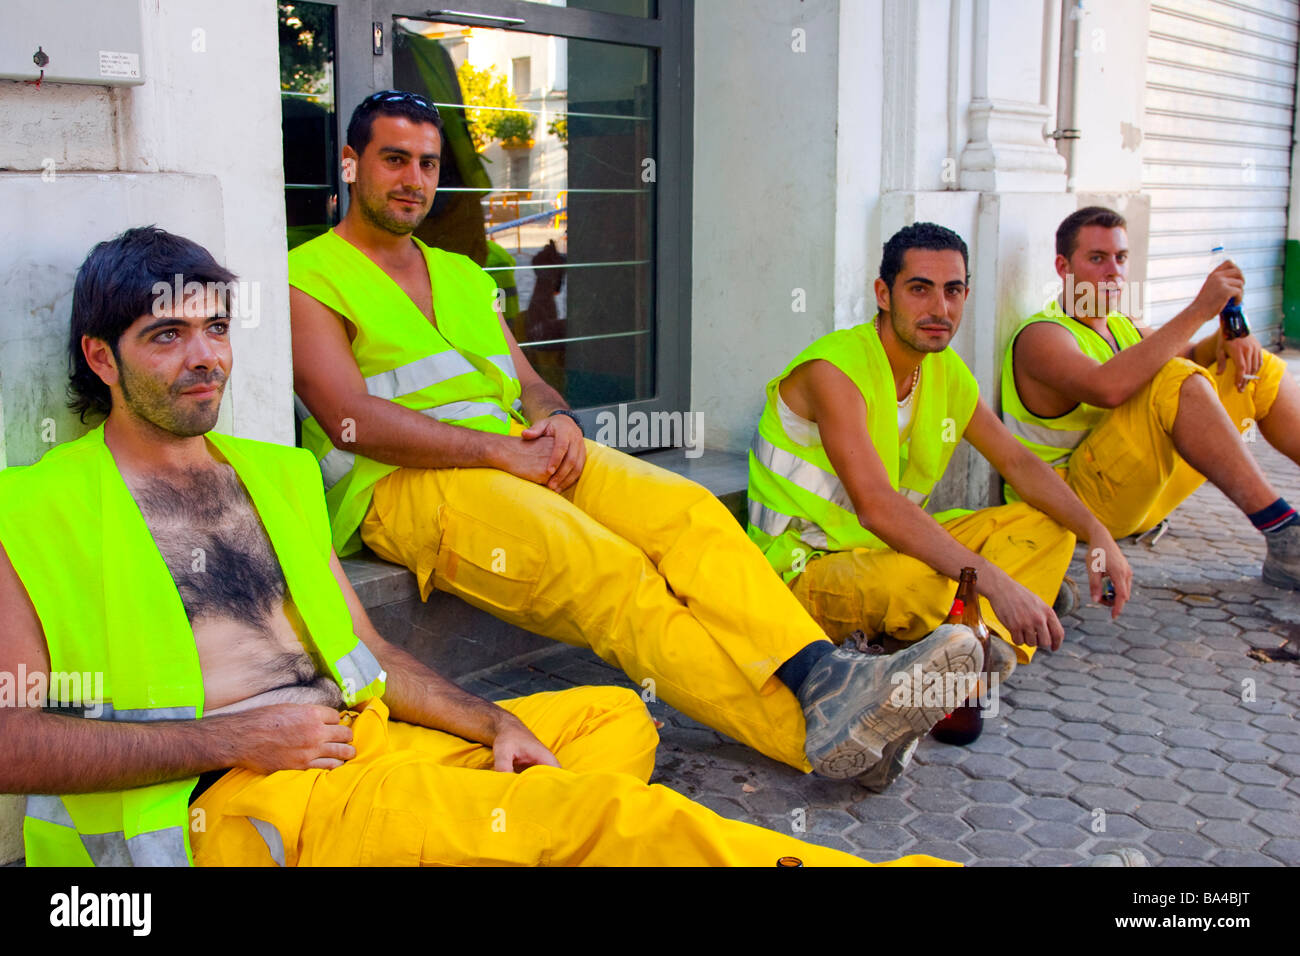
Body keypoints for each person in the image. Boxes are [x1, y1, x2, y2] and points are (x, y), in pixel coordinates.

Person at [0, 226, 957, 868]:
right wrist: (235, 735)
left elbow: (367, 653)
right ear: (101, 357)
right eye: (166, 336)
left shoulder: (270, 476)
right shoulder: (35, 509)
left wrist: (484, 721)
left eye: (214, 328)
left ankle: (482, 830)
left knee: (611, 725)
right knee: (601, 814)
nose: (204, 355)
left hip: (360, 738)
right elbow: (12, 742)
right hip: (242, 795)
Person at [287, 90, 983, 786]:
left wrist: (557, 419)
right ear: (351, 165)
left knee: (689, 513)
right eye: (394, 160)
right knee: (613, 576)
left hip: (520, 452)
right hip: (403, 486)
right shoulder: (307, 274)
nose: (414, 180)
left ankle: (823, 674)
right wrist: (496, 450)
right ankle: (811, 737)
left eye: (429, 164)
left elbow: (529, 383)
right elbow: (352, 417)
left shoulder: (461, 275)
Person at [747, 223, 1133, 701]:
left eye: (953, 291)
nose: (939, 309)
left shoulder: (943, 369)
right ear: (883, 294)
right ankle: (984, 632)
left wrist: (1097, 533)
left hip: (890, 549)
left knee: (1049, 525)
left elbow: (1016, 462)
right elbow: (878, 508)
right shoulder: (835, 371)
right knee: (922, 582)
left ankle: (970, 636)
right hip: (810, 567)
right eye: (919, 290)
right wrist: (998, 583)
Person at [1002, 206, 1300, 589]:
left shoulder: (1123, 326)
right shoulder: (1042, 335)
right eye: (1097, 258)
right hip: (1075, 507)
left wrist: (1227, 340)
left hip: (1138, 498)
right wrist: (1199, 309)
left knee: (1259, 369)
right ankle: (1286, 534)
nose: (1114, 271)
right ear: (1063, 267)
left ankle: (1285, 535)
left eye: (1121, 258)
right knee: (1173, 378)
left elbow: (1191, 358)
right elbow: (1107, 388)